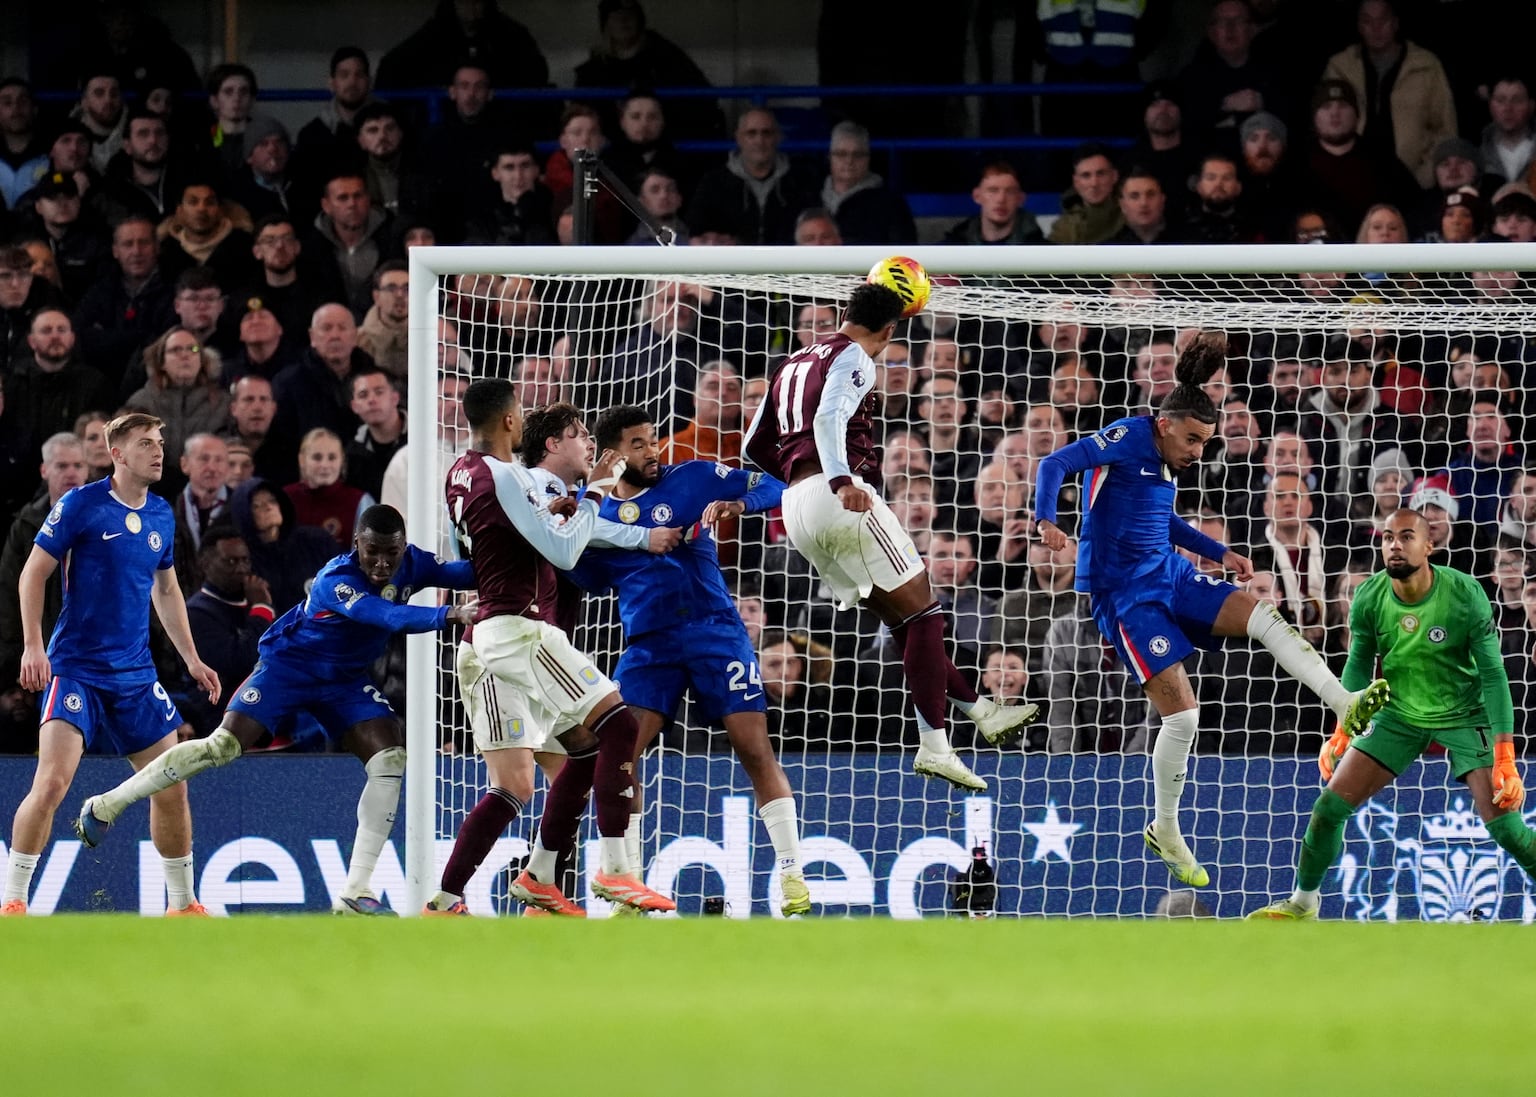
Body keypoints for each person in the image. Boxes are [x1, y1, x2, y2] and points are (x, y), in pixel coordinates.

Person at [1034, 333, 1390, 887]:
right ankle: (1165, 828)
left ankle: (1343, 702)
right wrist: (1046, 518)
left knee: (1264, 616)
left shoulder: (1162, 460)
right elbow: (1055, 463)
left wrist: (1218, 551)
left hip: (1170, 573)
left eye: (1206, 441)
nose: (1199, 452)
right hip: (1125, 595)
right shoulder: (1127, 435)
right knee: (1183, 717)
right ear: (1164, 424)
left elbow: (1162, 519)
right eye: (1194, 439)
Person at [75, 504, 476, 916]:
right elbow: (386, 615)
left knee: (389, 758)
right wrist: (451, 613)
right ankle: (107, 804)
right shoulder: (336, 580)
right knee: (222, 747)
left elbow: (466, 573)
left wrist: (509, 554)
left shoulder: (413, 563)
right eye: (372, 552)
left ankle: (356, 891)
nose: (382, 563)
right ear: (357, 543)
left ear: (403, 547)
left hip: (343, 680)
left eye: (391, 553)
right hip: (290, 666)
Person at [743, 281, 1040, 791]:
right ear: (888, 330)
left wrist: (801, 482)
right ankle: (936, 745)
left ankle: (979, 710)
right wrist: (838, 481)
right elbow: (830, 417)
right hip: (840, 494)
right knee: (927, 614)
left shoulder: (792, 361)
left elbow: (753, 444)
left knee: (905, 619)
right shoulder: (854, 356)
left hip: (795, 504)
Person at [434, 377, 675, 916]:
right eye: (578, 434)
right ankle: (615, 874)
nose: (588, 443)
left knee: (570, 760)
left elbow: (472, 552)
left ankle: (526, 882)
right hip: (516, 630)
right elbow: (566, 552)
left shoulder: (459, 473)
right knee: (617, 727)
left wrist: (561, 516)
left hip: (500, 631)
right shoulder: (511, 476)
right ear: (511, 421)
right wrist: (598, 494)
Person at [559, 404, 811, 917]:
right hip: (649, 644)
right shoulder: (593, 511)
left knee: (754, 749)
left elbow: (773, 486)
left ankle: (792, 874)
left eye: (652, 440)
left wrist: (739, 505)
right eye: (638, 444)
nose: (652, 451)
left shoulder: (693, 477)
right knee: (620, 756)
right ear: (611, 455)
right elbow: (586, 577)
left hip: (714, 631)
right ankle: (628, 885)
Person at [1250, 509, 1536, 920]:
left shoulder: (1464, 593)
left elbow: (1493, 674)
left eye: (1405, 536)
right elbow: (1358, 664)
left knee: (1507, 829)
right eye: (1387, 537)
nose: (1394, 545)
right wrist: (1342, 732)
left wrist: (1505, 754)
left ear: (1429, 545)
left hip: (1464, 713)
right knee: (1328, 810)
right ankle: (1303, 903)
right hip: (1398, 713)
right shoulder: (1370, 596)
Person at [2, 412, 221, 916]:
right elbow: (32, 574)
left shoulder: (161, 513)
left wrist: (191, 658)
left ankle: (183, 905)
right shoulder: (82, 504)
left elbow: (167, 590)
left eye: (160, 442)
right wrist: (33, 646)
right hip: (76, 669)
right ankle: (13, 902)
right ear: (117, 454)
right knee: (52, 783)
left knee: (171, 785)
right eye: (145, 444)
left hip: (136, 676)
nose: (158, 451)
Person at [942, 162, 1044, 245]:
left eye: (1010, 192)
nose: (1001, 199)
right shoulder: (951, 249)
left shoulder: (1043, 252)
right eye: (993, 190)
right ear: (977, 196)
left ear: (1021, 199)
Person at [1049, 144, 1122, 244]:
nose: (1094, 183)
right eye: (1086, 176)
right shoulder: (1063, 229)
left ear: (1114, 176)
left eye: (1101, 174)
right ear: (1076, 182)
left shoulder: (1132, 218)